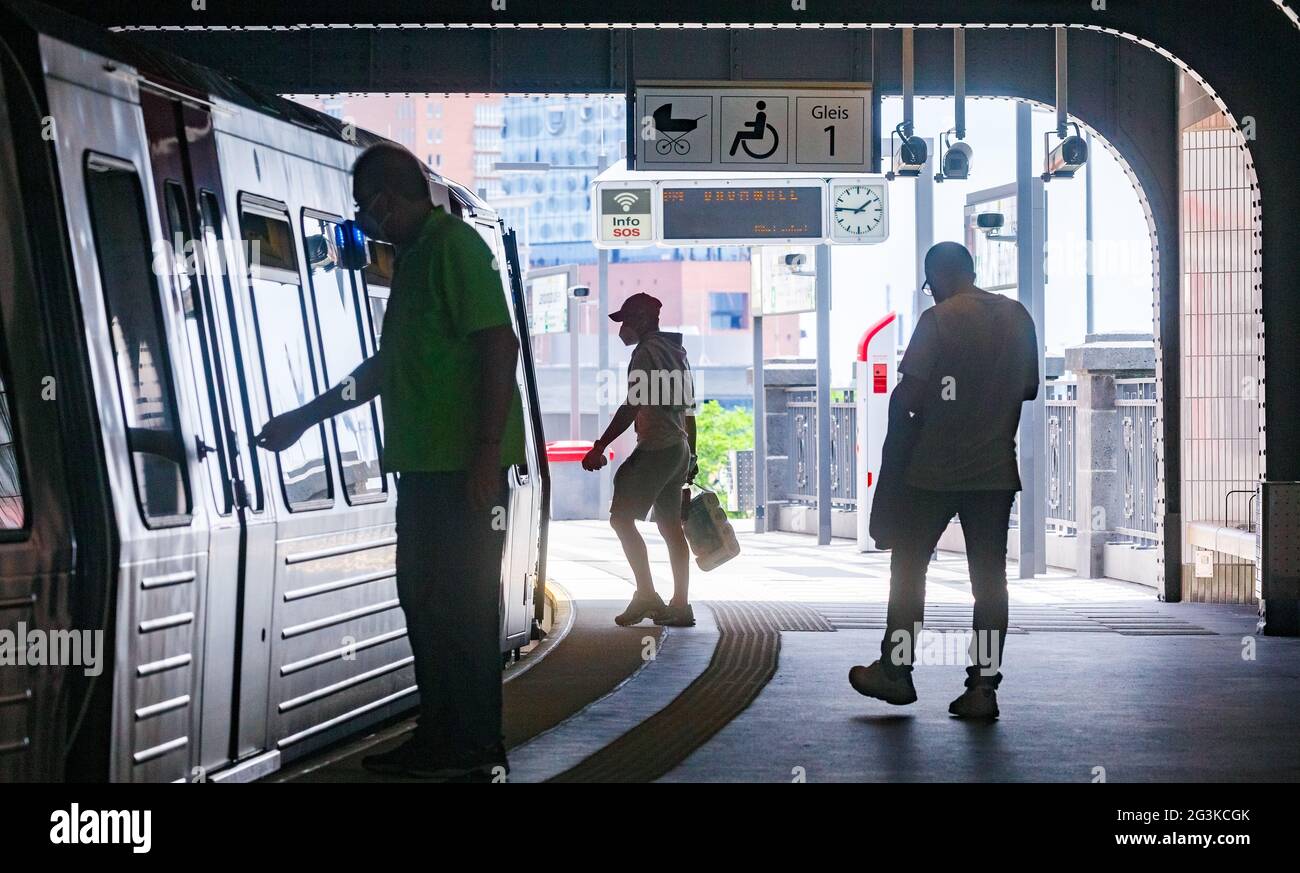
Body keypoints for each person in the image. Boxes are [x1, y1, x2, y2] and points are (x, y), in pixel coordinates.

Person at [255, 142, 525, 779]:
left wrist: (484, 454)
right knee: (427, 606)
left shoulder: (454, 247)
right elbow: (385, 369)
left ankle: (474, 746)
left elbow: (498, 342)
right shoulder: (413, 259)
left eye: (365, 210)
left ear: (386, 200)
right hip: (426, 471)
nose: (366, 223)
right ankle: (440, 737)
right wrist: (306, 417)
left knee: (461, 611)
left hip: (461, 472)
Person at [849, 241, 1039, 720]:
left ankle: (896, 672)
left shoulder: (938, 320)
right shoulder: (1016, 316)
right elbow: (1029, 388)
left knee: (909, 573)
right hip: (994, 472)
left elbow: (910, 393)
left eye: (929, 283)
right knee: (990, 583)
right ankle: (983, 688)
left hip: (930, 471)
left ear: (936, 277)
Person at [581, 292, 698, 627]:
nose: (623, 329)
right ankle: (680, 605)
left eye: (627, 321)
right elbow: (689, 408)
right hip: (678, 447)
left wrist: (600, 445)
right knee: (670, 528)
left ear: (644, 320)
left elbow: (631, 406)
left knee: (620, 519)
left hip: (657, 448)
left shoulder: (645, 353)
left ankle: (646, 593)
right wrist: (693, 452)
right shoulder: (677, 351)